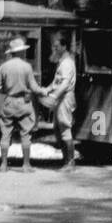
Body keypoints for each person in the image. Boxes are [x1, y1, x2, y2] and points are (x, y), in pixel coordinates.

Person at [0, 36, 46, 172]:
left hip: (9, 102)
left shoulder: (4, 67)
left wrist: (9, 91)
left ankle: (4, 165)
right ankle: (25, 165)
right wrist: (44, 91)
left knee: (5, 134)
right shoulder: (27, 67)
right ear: (20, 52)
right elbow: (34, 87)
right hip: (24, 103)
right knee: (26, 133)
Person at [45, 33, 78, 171]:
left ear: (64, 47)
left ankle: (70, 163)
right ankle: (66, 161)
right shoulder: (62, 62)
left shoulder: (67, 63)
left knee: (64, 129)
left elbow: (64, 84)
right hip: (60, 97)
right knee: (58, 129)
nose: (55, 49)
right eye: (54, 46)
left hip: (64, 98)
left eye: (57, 46)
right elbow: (56, 82)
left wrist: (53, 96)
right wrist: (47, 90)